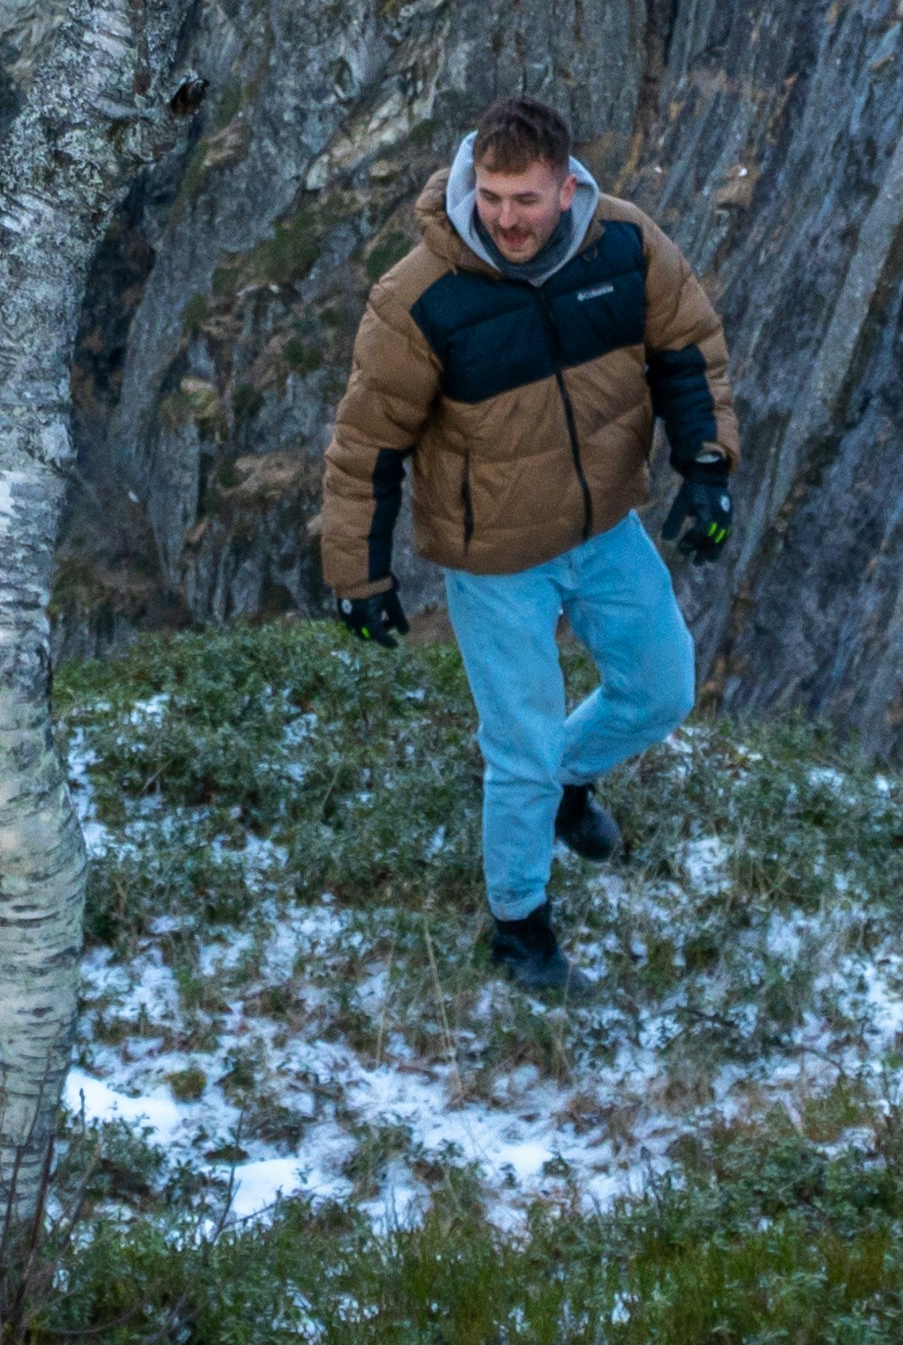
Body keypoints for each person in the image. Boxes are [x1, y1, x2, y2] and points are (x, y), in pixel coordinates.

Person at [313, 94, 737, 998]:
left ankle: (569, 785)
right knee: (521, 748)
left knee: (663, 688)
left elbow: (687, 350)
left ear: (566, 185)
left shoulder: (624, 246)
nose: (506, 218)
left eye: (525, 200)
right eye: (492, 197)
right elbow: (366, 446)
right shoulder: (420, 297)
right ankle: (519, 927)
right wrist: (359, 573)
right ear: (474, 183)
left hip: (605, 527)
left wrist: (706, 465)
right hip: (492, 558)